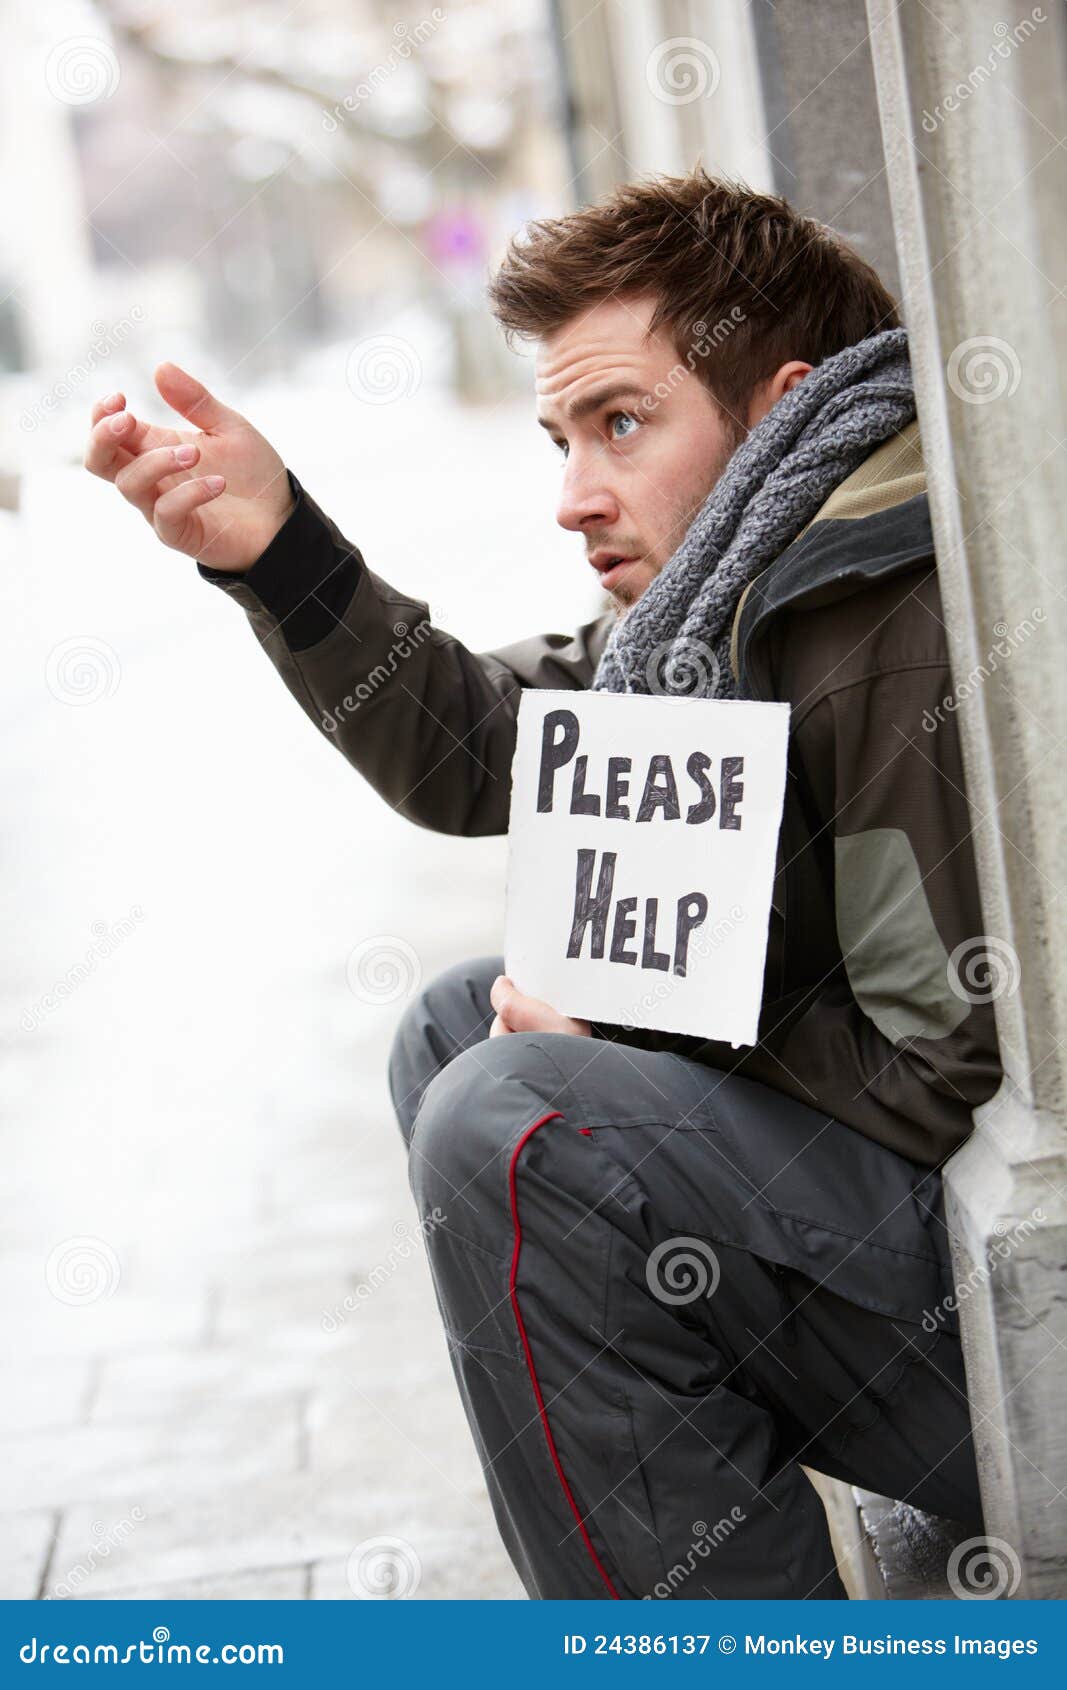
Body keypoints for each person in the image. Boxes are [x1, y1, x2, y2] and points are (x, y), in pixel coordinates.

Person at [84, 171, 1001, 1600]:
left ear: (781, 406)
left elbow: (946, 1071)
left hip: (1001, 1327)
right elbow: (488, 752)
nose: (575, 495)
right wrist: (280, 553)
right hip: (899, 1256)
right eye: (561, 436)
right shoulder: (722, 599)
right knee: (459, 1029)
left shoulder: (881, 614)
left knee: (518, 1114)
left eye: (621, 425)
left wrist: (656, 1032)